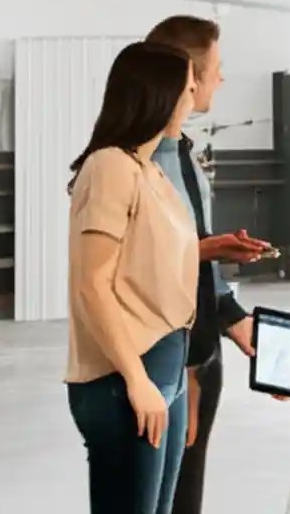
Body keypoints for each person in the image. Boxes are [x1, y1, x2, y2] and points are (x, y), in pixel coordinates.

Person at [64, 41, 201, 514]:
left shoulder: (149, 171)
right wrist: (137, 380)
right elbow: (92, 284)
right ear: (160, 95)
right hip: (124, 376)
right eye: (187, 87)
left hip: (165, 365)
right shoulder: (111, 167)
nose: (194, 95)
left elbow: (151, 259)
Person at [145, 15, 269, 514]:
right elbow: (134, 268)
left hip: (201, 353)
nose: (221, 78)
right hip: (162, 361)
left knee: (186, 494)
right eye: (216, 67)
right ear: (189, 76)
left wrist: (234, 319)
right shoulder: (140, 165)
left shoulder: (187, 158)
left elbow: (200, 269)